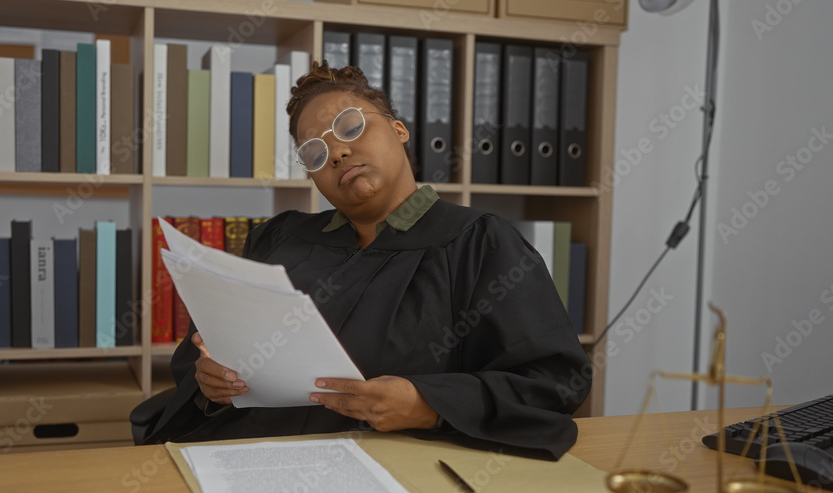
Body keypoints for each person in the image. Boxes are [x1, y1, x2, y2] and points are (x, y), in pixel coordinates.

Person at [142, 62, 590, 459]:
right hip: (244, 458)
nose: (336, 152)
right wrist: (209, 382)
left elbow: (553, 381)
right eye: (314, 151)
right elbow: (203, 351)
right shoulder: (278, 240)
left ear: (398, 129)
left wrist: (427, 403)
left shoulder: (478, 243)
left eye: (351, 128)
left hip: (392, 470)